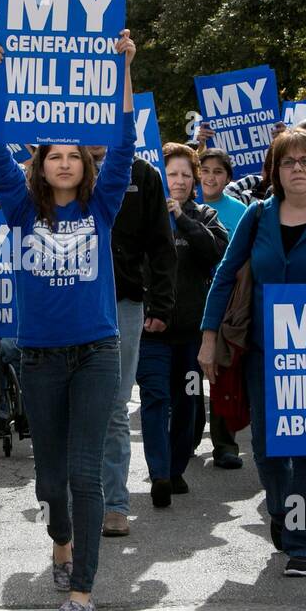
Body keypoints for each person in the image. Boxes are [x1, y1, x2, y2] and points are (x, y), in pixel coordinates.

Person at [0, 30, 137, 611]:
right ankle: (61, 540)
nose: (67, 163)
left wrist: (125, 66)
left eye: (76, 156)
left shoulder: (103, 208)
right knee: (51, 480)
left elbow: (125, 142)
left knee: (84, 472)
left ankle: (82, 587)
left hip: (97, 351)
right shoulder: (21, 211)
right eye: (56, 156)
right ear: (42, 166)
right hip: (41, 357)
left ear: (86, 165)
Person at [201, 129, 306, 576]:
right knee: (268, 446)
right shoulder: (258, 216)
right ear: (275, 172)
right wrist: (208, 337)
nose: (297, 169)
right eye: (287, 162)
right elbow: (225, 275)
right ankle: (281, 512)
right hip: (263, 350)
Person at [97, 94, 176, 539]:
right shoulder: (58, 171)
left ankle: (114, 504)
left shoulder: (141, 175)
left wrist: (161, 305)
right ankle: (77, 499)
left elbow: (161, 247)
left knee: (112, 407)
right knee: (73, 409)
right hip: (69, 305)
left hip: (124, 304)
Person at [136, 144, 227, 506]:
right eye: (171, 174)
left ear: (195, 181)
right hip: (153, 331)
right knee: (154, 397)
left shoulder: (205, 216)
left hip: (191, 333)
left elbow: (216, 252)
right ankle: (158, 473)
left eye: (185, 176)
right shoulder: (143, 216)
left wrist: (183, 220)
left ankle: (175, 469)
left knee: (188, 402)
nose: (178, 181)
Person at [195, 148, 248, 470]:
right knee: (188, 377)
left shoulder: (240, 212)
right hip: (189, 301)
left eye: (218, 172)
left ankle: (224, 444)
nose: (211, 177)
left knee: (221, 373)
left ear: (227, 178)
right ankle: (186, 437)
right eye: (205, 170)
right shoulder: (182, 208)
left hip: (227, 302)